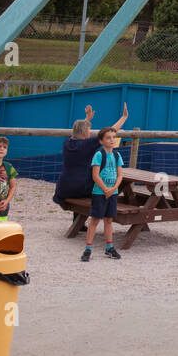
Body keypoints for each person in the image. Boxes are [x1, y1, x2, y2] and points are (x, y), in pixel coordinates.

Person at [53, 103, 127, 209]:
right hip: (81, 189)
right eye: (88, 130)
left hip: (63, 189)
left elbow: (79, 132)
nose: (90, 132)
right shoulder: (87, 144)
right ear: (84, 132)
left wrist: (87, 119)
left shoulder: (67, 143)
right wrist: (124, 117)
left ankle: (79, 224)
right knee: (102, 186)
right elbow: (109, 132)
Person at [82, 127, 125, 262]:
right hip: (99, 193)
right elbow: (95, 175)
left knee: (109, 220)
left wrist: (114, 188)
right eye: (108, 137)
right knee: (95, 219)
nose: (112, 140)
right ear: (101, 141)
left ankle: (109, 247)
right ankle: (88, 248)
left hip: (113, 193)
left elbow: (120, 175)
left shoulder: (117, 155)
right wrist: (105, 189)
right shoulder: (99, 155)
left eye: (113, 137)